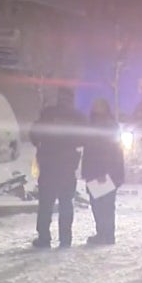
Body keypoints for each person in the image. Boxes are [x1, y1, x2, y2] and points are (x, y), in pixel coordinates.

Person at [29, 86, 86, 249]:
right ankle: (65, 239)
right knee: (66, 203)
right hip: (67, 166)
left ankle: (44, 238)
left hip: (49, 164)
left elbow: (34, 133)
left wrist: (41, 144)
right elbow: (84, 138)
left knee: (46, 204)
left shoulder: (48, 113)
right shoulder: (78, 117)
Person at [81, 98, 125, 245]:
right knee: (100, 204)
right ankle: (105, 234)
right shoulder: (100, 125)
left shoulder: (104, 126)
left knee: (103, 205)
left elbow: (110, 151)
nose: (95, 108)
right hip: (100, 171)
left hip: (103, 172)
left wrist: (104, 172)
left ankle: (106, 234)